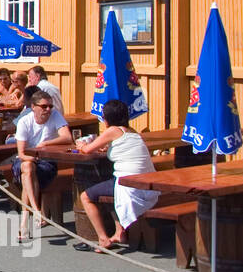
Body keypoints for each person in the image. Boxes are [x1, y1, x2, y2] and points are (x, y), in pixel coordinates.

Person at [76, 99, 159, 252]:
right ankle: (119, 232)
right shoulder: (132, 132)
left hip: (129, 184)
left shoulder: (113, 131)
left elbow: (86, 150)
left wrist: (81, 145)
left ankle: (103, 238)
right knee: (108, 187)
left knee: (85, 197)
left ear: (107, 118)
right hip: (146, 182)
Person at [12, 92, 73, 241]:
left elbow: (67, 137)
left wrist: (46, 143)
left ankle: (25, 223)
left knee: (28, 174)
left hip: (46, 163)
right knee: (27, 167)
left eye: (50, 106)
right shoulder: (24, 122)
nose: (48, 109)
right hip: (26, 160)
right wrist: (33, 158)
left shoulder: (55, 115)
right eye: (44, 106)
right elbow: (21, 153)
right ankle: (36, 209)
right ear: (33, 107)